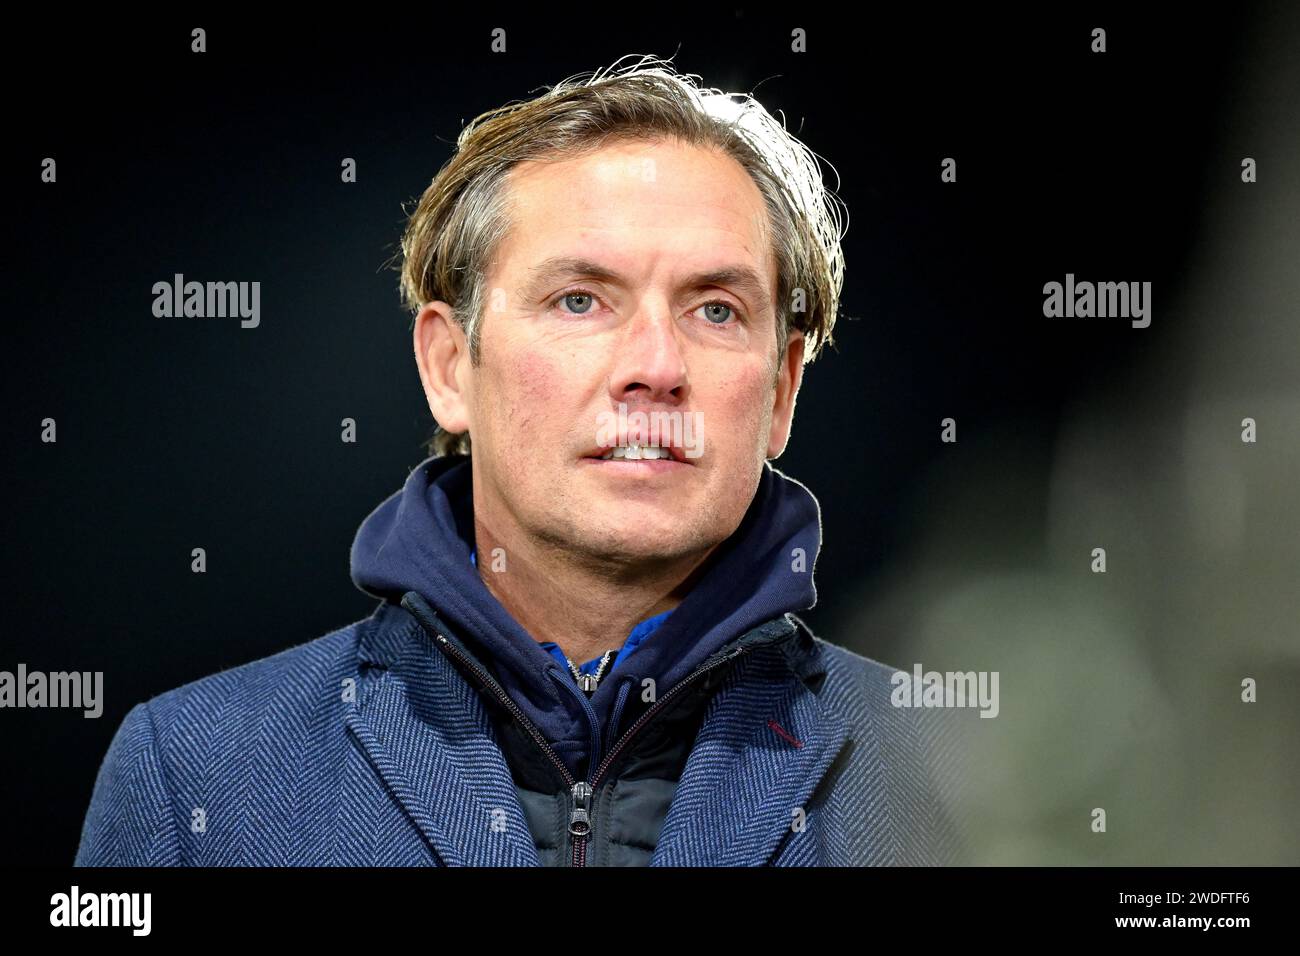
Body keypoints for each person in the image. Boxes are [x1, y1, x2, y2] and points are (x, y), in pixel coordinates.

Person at [75, 55, 965, 866]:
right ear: (449, 365)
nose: (655, 367)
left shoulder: (964, 781)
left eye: (717, 310)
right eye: (580, 300)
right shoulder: (194, 775)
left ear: (781, 391)